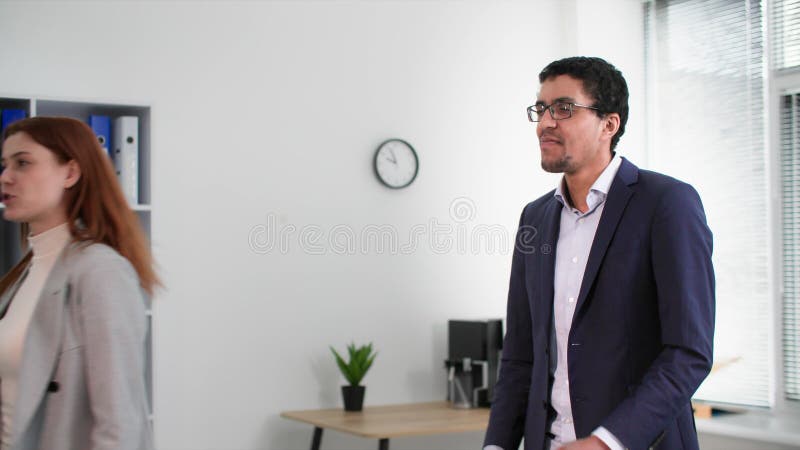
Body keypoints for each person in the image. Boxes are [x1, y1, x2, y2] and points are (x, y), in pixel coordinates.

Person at [483, 57, 715, 450]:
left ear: (610, 124)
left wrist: (607, 442)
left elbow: (688, 352)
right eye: (541, 109)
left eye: (564, 109)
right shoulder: (534, 218)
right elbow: (521, 356)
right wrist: (496, 445)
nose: (545, 123)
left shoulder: (667, 203)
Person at [0, 116, 157, 450]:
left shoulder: (100, 271)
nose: (5, 177)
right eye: (4, 164)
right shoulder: (26, 272)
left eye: (23, 163)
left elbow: (119, 424)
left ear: (70, 173)